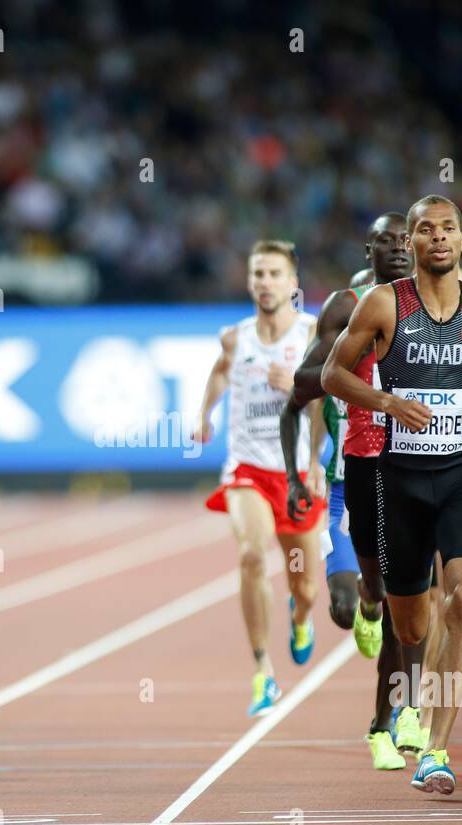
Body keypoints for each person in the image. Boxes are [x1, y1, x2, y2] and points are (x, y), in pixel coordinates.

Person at [322, 195, 462, 794]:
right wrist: (387, 402)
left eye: (449, 229)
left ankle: (436, 751)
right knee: (411, 626)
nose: (438, 238)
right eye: (425, 231)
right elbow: (334, 375)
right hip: (399, 484)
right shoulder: (384, 304)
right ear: (410, 244)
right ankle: (406, 700)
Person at [278, 212, 421, 770]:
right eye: (387, 240)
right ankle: (363, 599)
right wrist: (352, 371)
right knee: (348, 608)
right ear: (369, 250)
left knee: (413, 607)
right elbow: (301, 389)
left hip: (412, 475)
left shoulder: (434, 304)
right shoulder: (345, 307)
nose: (400, 248)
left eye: (407, 239)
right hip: (347, 481)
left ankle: (393, 720)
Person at [194, 239, 326, 717]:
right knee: (252, 555)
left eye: (274, 274)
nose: (264, 283)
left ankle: (302, 617)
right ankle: (262, 673)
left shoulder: (314, 333)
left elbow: (323, 403)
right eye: (258, 274)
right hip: (247, 467)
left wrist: (314, 462)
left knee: (306, 587)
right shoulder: (235, 336)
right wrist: (203, 413)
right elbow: (219, 372)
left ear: (293, 284)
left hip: (294, 473)